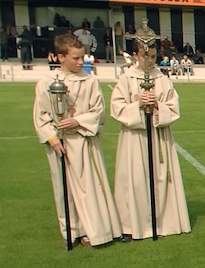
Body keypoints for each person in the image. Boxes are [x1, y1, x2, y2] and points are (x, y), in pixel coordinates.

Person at [33, 34, 121, 248]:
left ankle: (94, 232)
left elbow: (98, 111)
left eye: (83, 57)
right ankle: (71, 232)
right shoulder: (46, 82)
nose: (81, 62)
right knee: (64, 189)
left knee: (89, 187)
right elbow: (41, 113)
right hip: (60, 143)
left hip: (83, 140)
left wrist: (78, 121)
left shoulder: (89, 81)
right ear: (61, 57)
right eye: (75, 58)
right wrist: (51, 137)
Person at [110, 39, 191, 242]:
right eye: (146, 56)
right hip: (134, 137)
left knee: (160, 178)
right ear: (136, 55)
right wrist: (137, 104)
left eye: (154, 57)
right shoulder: (126, 79)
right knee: (134, 179)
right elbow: (117, 109)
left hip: (158, 136)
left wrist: (156, 105)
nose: (150, 61)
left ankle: (163, 222)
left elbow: (173, 108)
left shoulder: (162, 79)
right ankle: (131, 226)